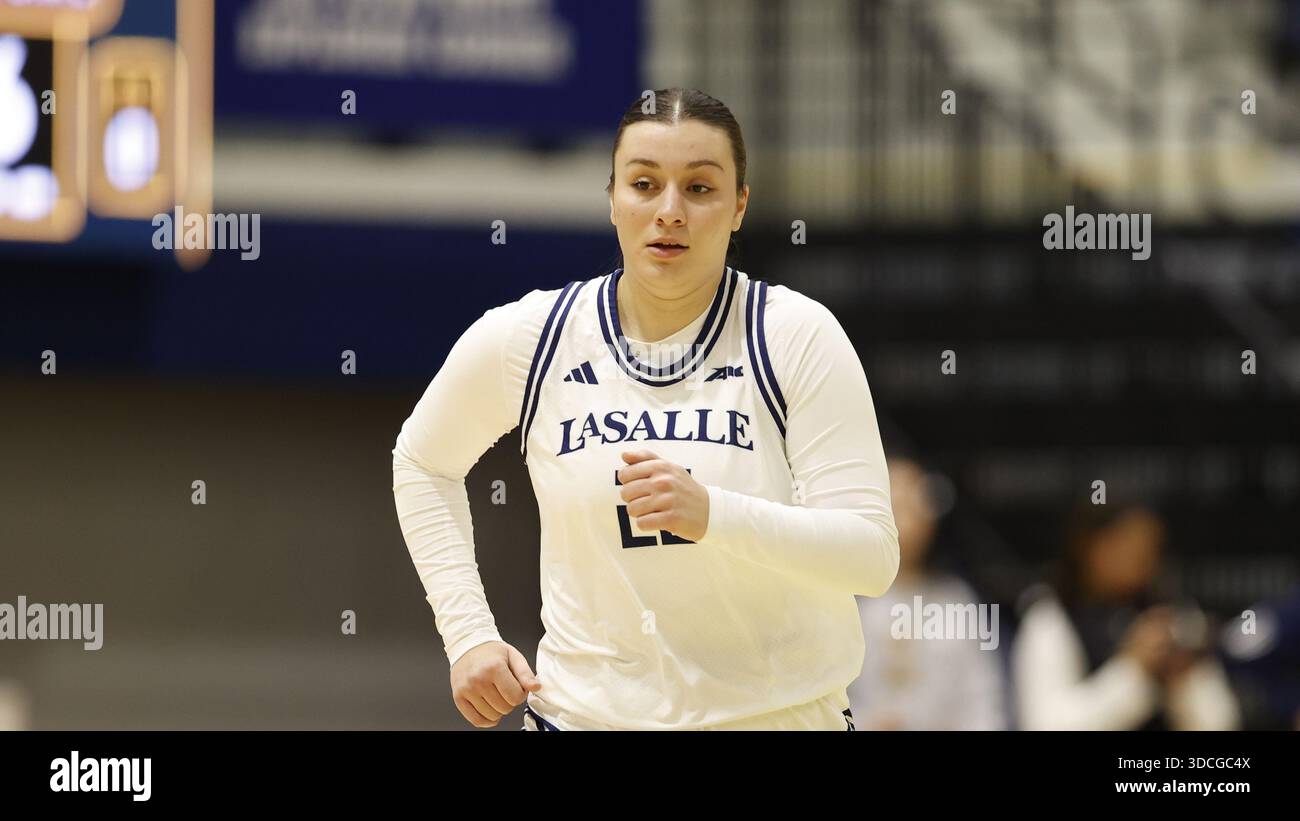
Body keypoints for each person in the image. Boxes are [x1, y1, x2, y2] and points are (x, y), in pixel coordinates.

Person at [392, 88, 899, 730]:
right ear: (612, 200)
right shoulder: (531, 336)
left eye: (699, 188)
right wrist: (466, 631)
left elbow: (870, 556)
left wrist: (714, 513)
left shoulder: (796, 333)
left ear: (739, 205)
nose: (669, 211)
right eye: (644, 184)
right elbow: (421, 462)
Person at [1013, 503, 1239, 730]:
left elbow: (1220, 723)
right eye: (1130, 549)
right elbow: (1045, 726)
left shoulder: (1170, 613)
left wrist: (1182, 677)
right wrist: (1133, 669)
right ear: (1091, 547)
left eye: (1151, 551)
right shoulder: (1051, 617)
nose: (1144, 563)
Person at [848, 458, 1006, 730]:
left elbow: (984, 701)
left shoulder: (955, 600)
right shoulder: (847, 601)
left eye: (914, 502)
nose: (906, 518)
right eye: (895, 503)